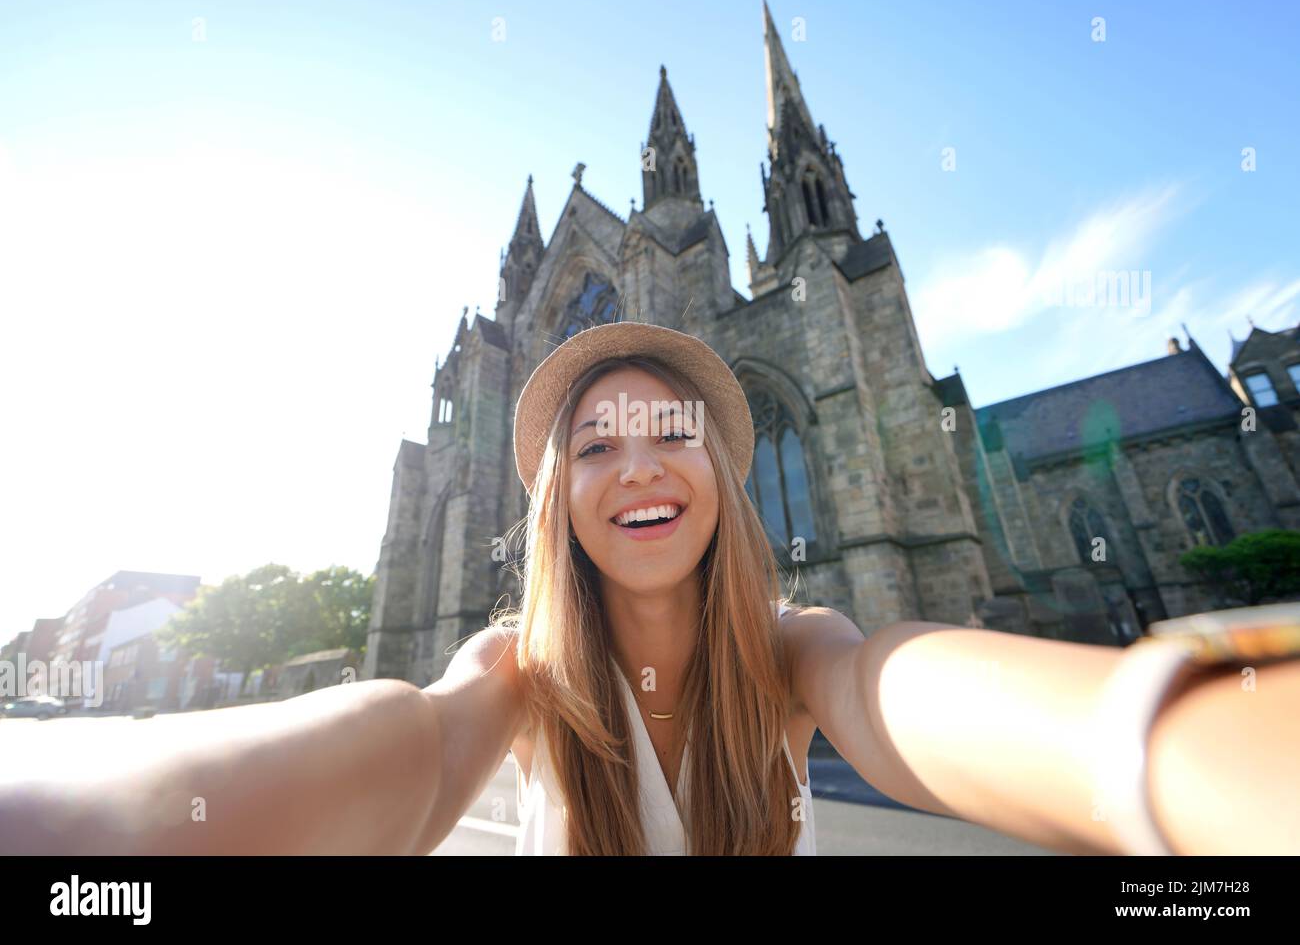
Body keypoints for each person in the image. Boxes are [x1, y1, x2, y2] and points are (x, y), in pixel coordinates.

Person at [2, 321, 1298, 855]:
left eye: (670, 431)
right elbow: (393, 746)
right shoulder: (518, 672)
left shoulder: (798, 647)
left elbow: (924, 696)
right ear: (557, 503)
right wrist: (83, 830)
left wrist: (1184, 754)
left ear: (724, 476)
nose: (636, 466)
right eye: (594, 444)